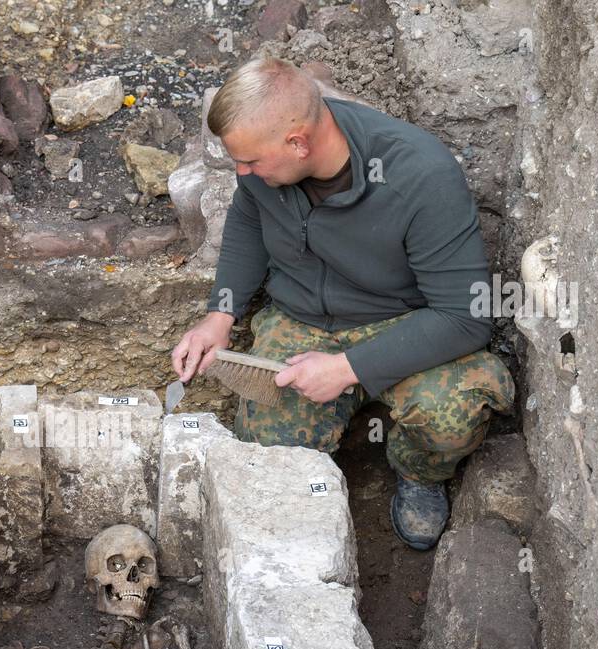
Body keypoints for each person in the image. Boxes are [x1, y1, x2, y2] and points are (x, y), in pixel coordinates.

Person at [171, 57, 514, 550]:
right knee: (273, 465)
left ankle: (418, 471)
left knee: (450, 415)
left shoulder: (420, 175)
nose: (242, 173)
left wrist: (348, 367)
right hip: (302, 321)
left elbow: (465, 317)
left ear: (298, 142)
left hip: (401, 324)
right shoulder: (264, 168)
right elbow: (248, 223)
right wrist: (219, 315)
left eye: (250, 162)